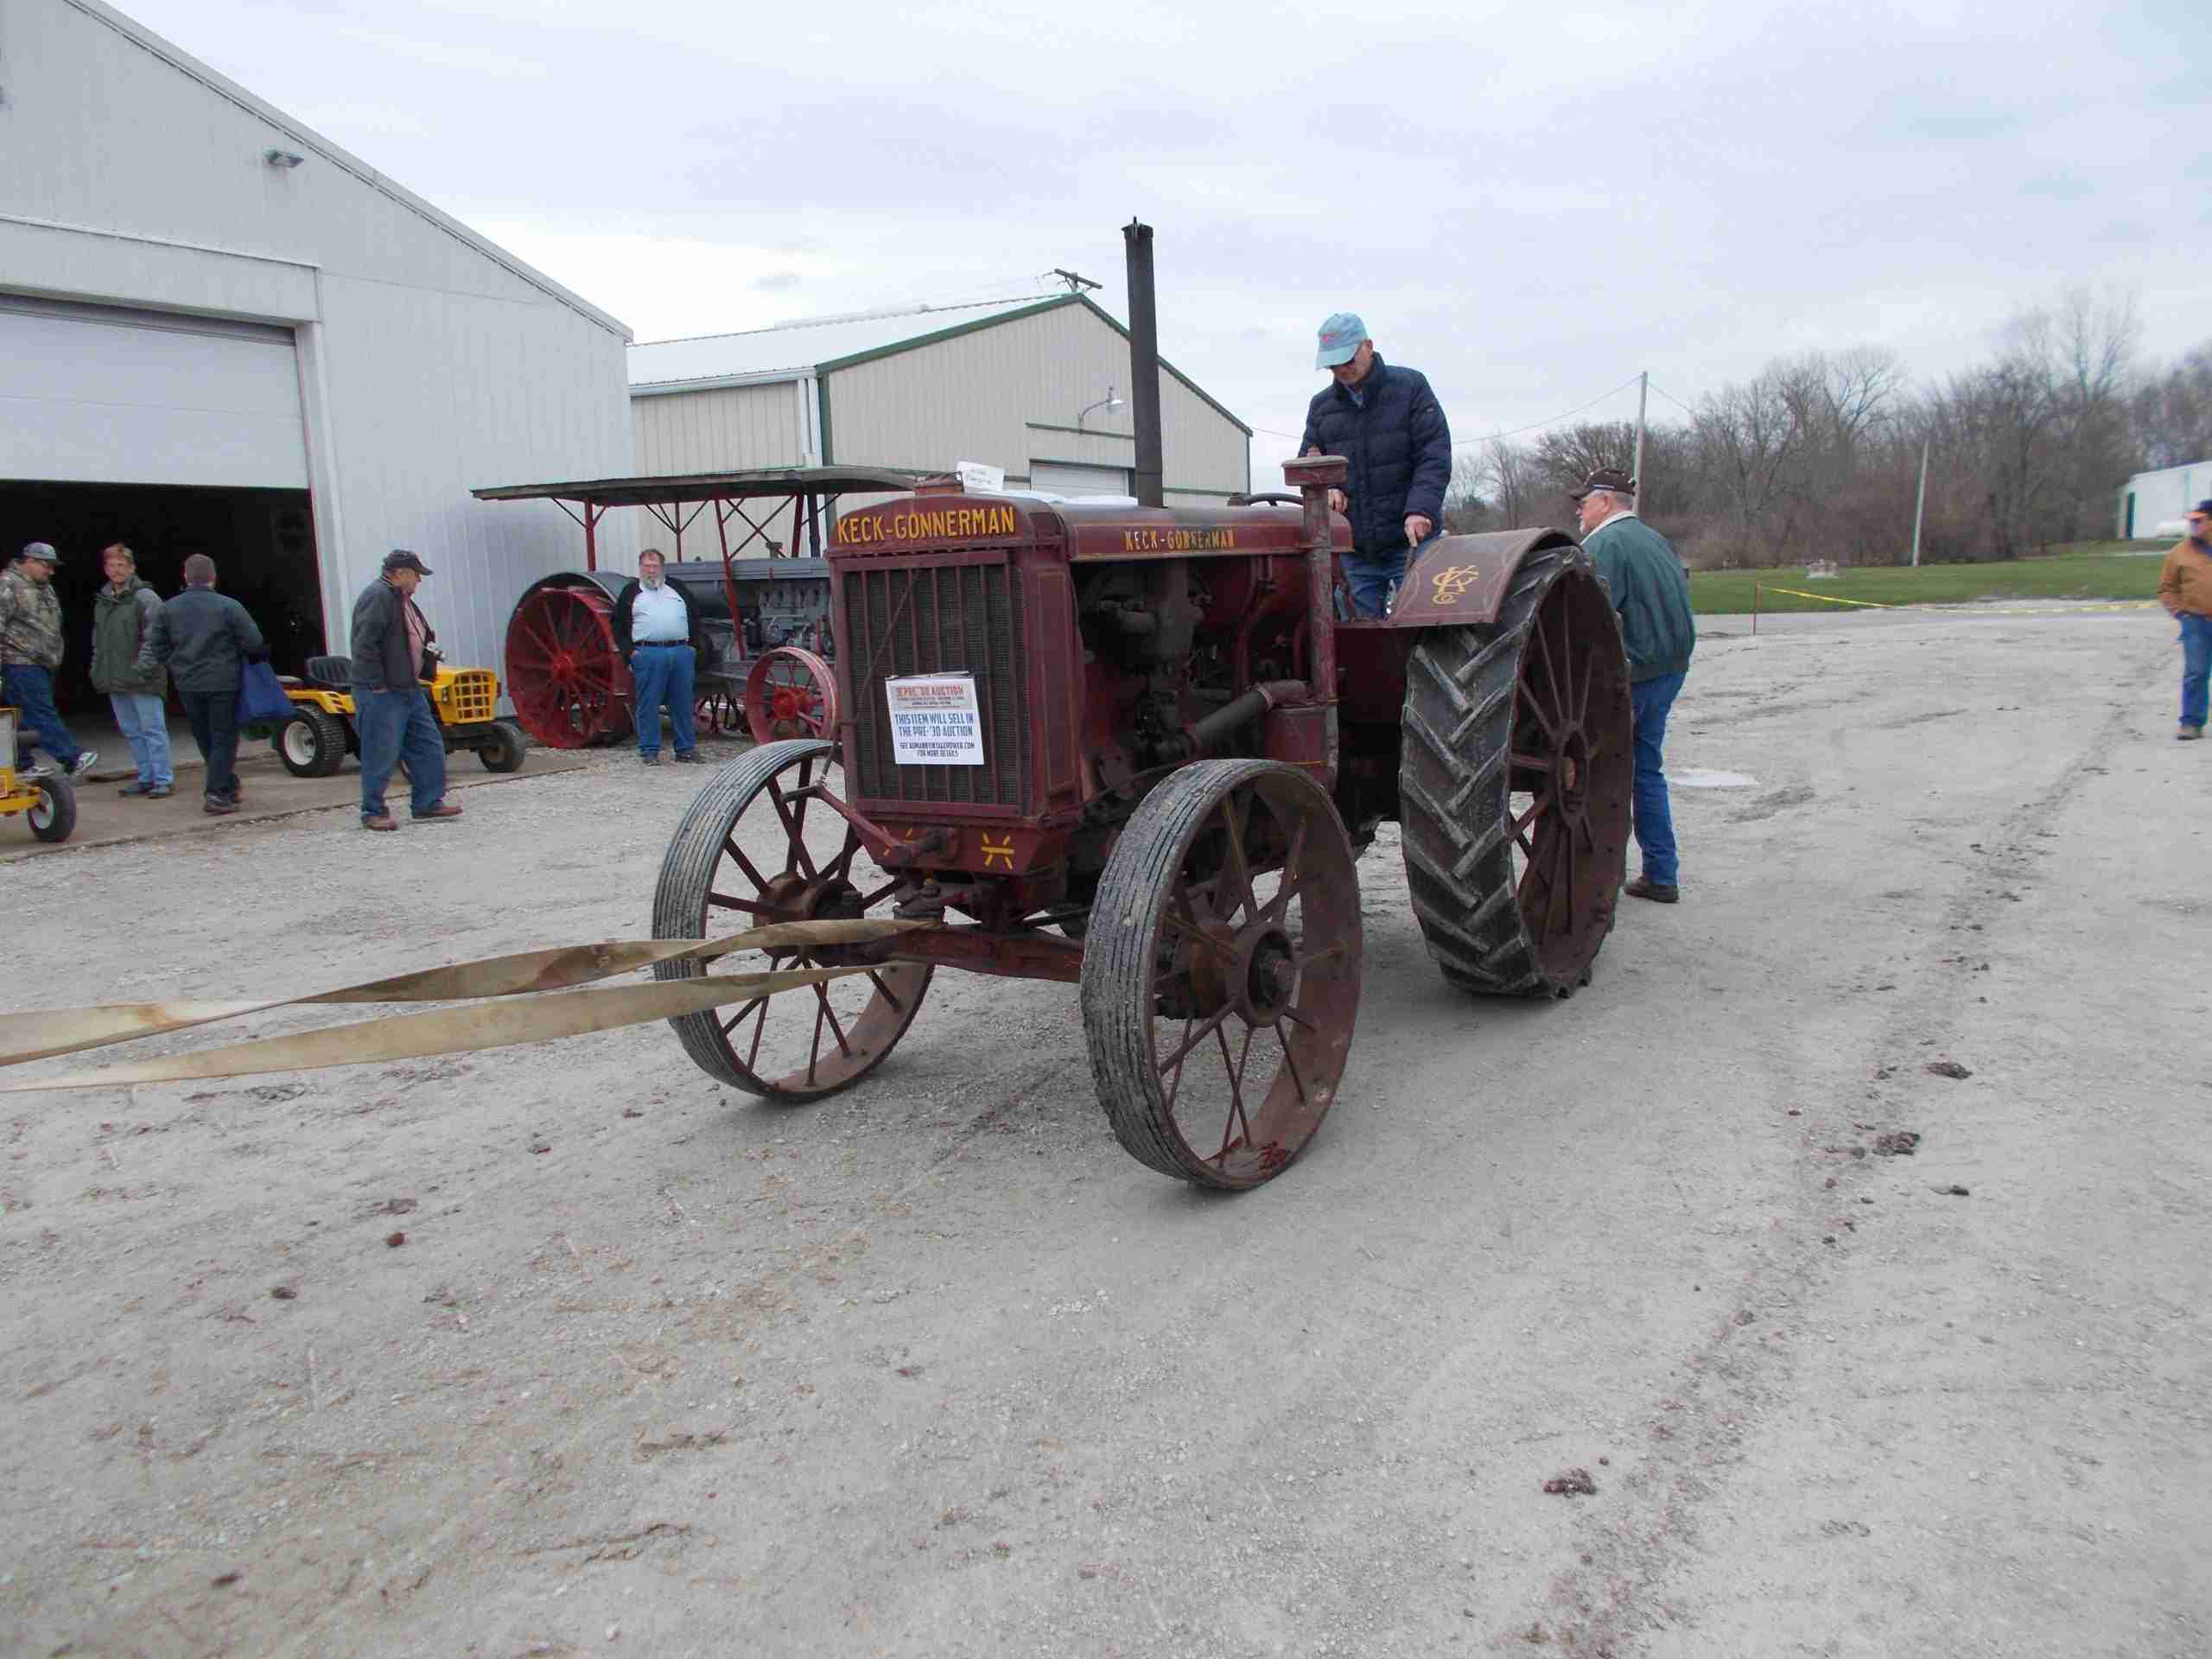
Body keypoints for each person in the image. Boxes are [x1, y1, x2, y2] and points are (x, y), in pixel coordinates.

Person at [1573, 467, 1696, 904]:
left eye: (1584, 501)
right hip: (1670, 669)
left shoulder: (1604, 544)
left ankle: (1591, 886)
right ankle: (1661, 873)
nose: (1580, 509)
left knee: (1595, 775)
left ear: (1606, 502)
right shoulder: (1653, 539)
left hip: (1636, 674)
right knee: (1646, 770)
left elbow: (1585, 618)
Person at [1299, 313, 1452, 617]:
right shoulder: (1321, 407)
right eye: (1333, 364)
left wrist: (1420, 510)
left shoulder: (1411, 388)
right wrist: (1326, 486)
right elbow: (1308, 462)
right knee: (1360, 640)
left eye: (1348, 360)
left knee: (1426, 628)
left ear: (1368, 346)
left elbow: (1434, 454)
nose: (1341, 370)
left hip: (1409, 541)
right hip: (1355, 550)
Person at [135, 554, 264, 816]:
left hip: (188, 683)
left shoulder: (169, 608)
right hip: (223, 682)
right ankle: (216, 794)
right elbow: (254, 642)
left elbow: (156, 644)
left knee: (205, 737)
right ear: (213, 577)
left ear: (185, 576)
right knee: (223, 738)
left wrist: (175, 664)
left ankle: (226, 785)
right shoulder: (229, 606)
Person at [350, 549, 461, 832]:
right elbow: (365, 645)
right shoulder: (378, 596)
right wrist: (376, 685)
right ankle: (373, 811)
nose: (419, 581)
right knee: (380, 752)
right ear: (399, 573)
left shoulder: (401, 599)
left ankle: (427, 802)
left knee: (428, 745)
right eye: (416, 575)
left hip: (407, 688)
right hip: (383, 691)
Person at [0, 541, 98, 779]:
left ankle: (22, 764)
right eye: (47, 566)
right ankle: (71, 757)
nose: (51, 571)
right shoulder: (8, 585)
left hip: (43, 663)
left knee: (22, 716)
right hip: (20, 661)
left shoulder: (45, 587)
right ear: (30, 561)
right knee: (39, 712)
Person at [91, 543, 174, 798]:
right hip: (115, 678)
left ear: (132, 568)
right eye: (112, 565)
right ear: (105, 569)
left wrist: (143, 667)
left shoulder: (145, 597)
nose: (117, 570)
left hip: (142, 677)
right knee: (132, 731)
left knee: (153, 729)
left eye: (122, 565)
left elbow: (157, 636)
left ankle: (163, 779)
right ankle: (146, 777)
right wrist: (97, 668)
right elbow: (98, 640)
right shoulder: (103, 601)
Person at [612, 549, 702, 766]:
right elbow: (617, 624)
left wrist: (693, 648)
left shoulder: (678, 589)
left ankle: (685, 749)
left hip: (681, 652)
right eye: (646, 566)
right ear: (640, 568)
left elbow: (695, 617)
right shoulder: (631, 592)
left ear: (662, 568)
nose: (651, 570)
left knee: (683, 702)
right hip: (648, 653)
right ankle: (650, 750)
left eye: (655, 566)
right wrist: (631, 653)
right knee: (648, 703)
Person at [2158, 498, 2212, 741]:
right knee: (2196, 673)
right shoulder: (2179, 553)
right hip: (2196, 623)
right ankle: (2191, 722)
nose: (2193, 525)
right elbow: (2167, 588)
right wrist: (2181, 613)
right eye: (2191, 521)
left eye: (2199, 521)